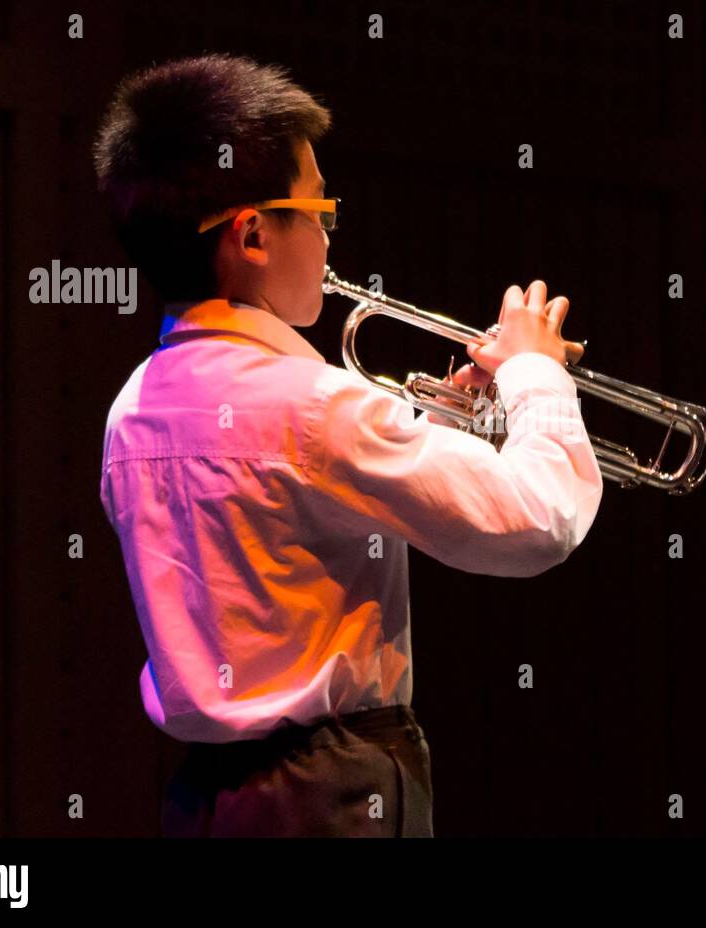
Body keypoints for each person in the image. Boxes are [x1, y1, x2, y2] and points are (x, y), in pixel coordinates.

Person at [93, 54, 603, 836]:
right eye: (320, 211)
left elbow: (291, 535)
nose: (330, 238)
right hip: (335, 792)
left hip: (207, 800)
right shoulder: (315, 403)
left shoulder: (130, 413)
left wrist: (440, 422)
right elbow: (538, 520)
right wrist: (535, 372)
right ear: (255, 235)